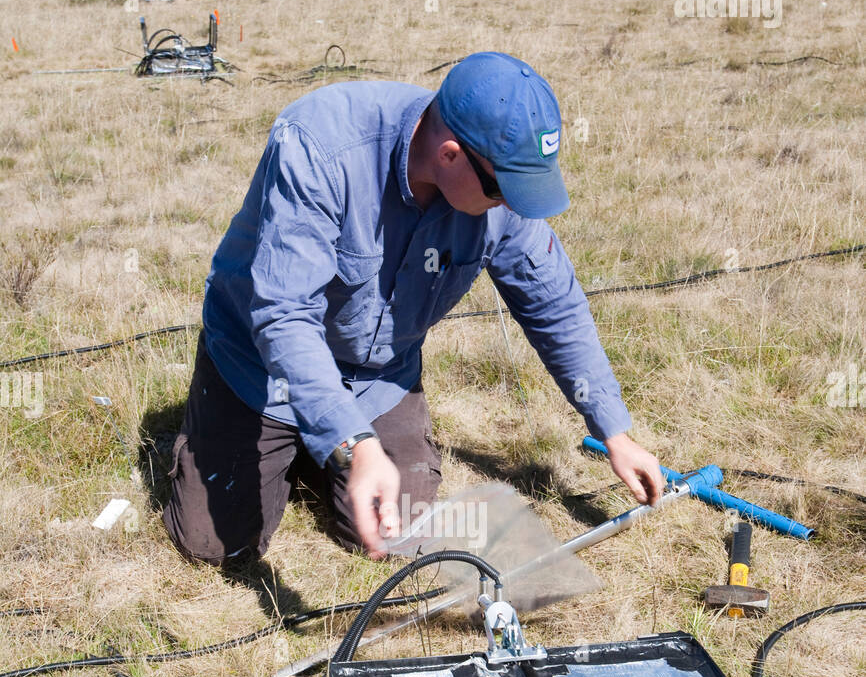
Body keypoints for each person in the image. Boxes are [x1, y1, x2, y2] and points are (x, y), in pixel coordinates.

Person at [163, 51, 663, 567]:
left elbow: (553, 302)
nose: (511, 206)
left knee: (398, 535)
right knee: (214, 547)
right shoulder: (320, 147)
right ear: (449, 156)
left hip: (377, 375)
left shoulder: (495, 193)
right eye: (500, 189)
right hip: (261, 369)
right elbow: (284, 316)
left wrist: (613, 432)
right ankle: (287, 435)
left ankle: (324, 446)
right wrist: (355, 443)